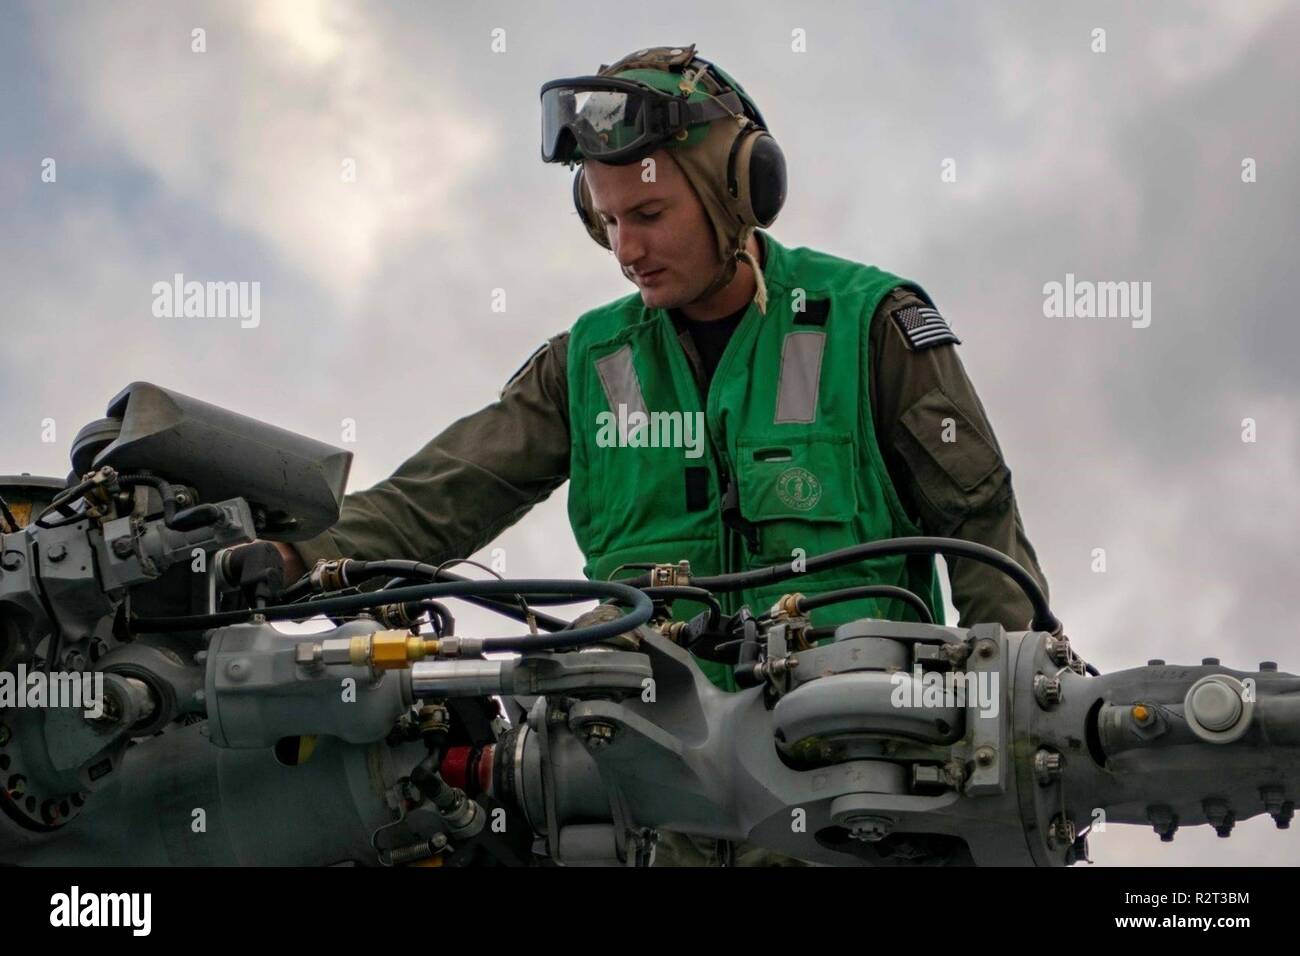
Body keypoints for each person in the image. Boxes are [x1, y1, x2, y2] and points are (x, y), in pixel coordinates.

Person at [269, 44, 1053, 865]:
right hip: (652, 822)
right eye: (607, 222)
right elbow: (436, 502)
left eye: (647, 217)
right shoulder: (587, 364)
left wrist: (1008, 751)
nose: (626, 250)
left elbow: (984, 540)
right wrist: (298, 554)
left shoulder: (868, 325)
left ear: (737, 195)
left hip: (852, 808)